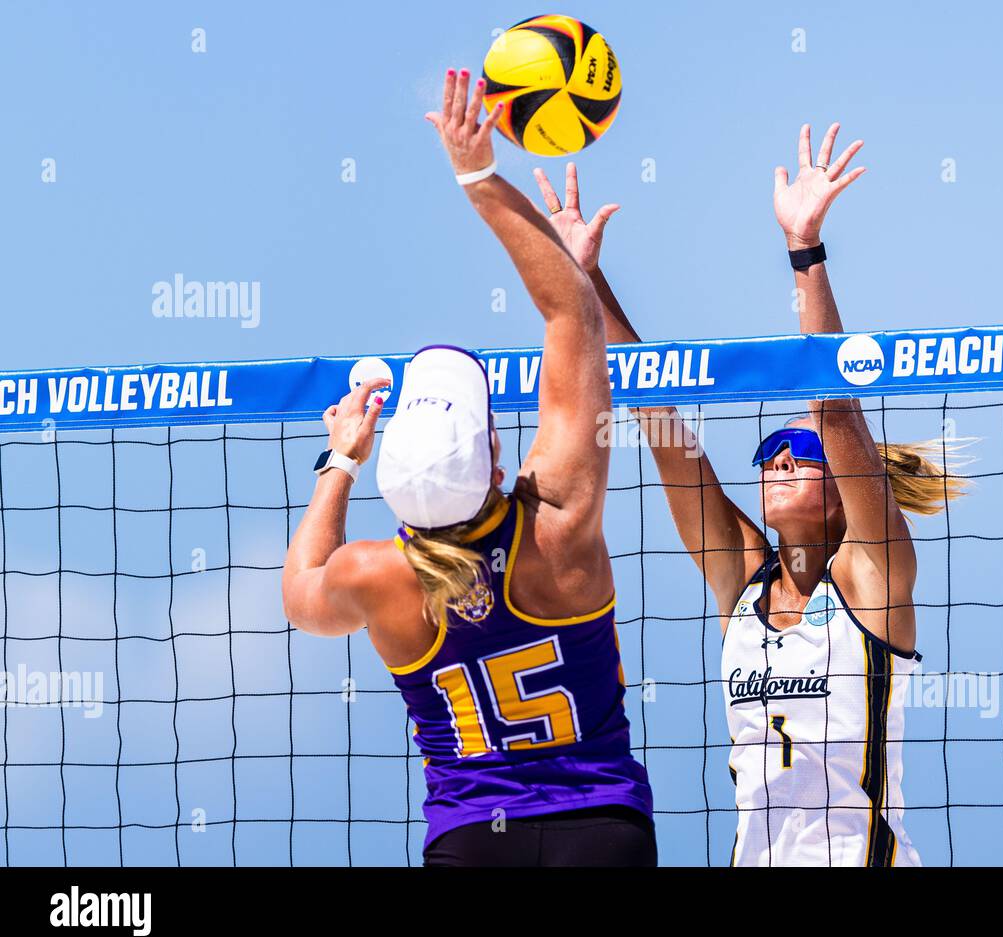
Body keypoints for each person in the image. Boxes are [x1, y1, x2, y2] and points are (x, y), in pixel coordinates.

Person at [533, 123, 968, 866]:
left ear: (843, 487)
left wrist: (805, 250)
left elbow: (834, 407)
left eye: (797, 452)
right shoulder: (741, 577)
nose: (774, 461)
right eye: (767, 451)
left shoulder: (873, 578)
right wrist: (585, 282)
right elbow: (656, 416)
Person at [282, 68, 654, 867]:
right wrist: (479, 176)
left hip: (472, 843)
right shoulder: (558, 529)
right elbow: (573, 313)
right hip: (602, 831)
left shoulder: (374, 576)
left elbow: (302, 596)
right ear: (494, 458)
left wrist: (341, 460)